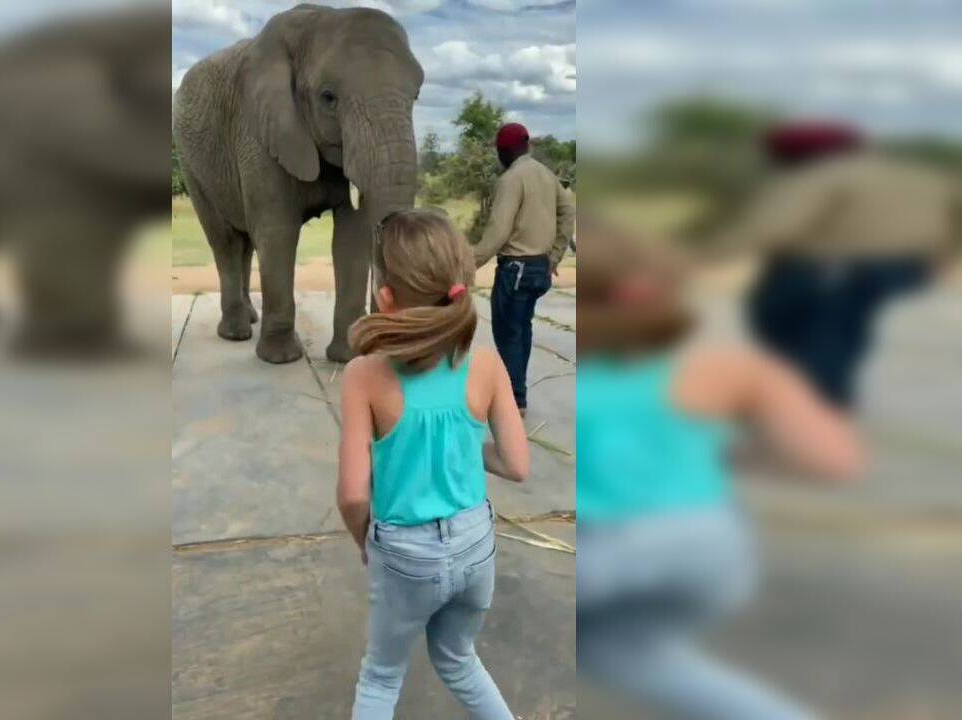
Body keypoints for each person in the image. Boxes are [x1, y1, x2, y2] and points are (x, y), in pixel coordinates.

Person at [576, 235, 863, 720]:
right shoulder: (725, 370)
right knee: (622, 655)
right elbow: (836, 459)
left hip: (613, 547)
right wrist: (725, 452)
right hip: (714, 549)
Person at [337, 209, 530, 720]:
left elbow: (355, 494)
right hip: (475, 548)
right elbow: (516, 464)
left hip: (404, 554)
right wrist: (466, 446)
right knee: (461, 661)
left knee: (380, 678)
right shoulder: (487, 364)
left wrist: (366, 545)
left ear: (385, 298)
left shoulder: (363, 375)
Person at [712, 121, 962, 409]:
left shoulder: (816, 177)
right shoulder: (924, 176)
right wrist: (950, 255)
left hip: (827, 270)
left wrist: (698, 258)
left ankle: (809, 420)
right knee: (840, 337)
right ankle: (813, 411)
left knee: (803, 337)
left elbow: (771, 226)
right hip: (905, 269)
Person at [472, 122, 576, 416]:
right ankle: (517, 395)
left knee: (508, 335)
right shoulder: (546, 175)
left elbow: (498, 230)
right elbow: (568, 212)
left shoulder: (511, 178)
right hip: (539, 269)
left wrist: (468, 263)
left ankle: (513, 400)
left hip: (515, 270)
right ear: (528, 145)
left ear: (503, 151)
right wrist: (555, 254)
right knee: (522, 331)